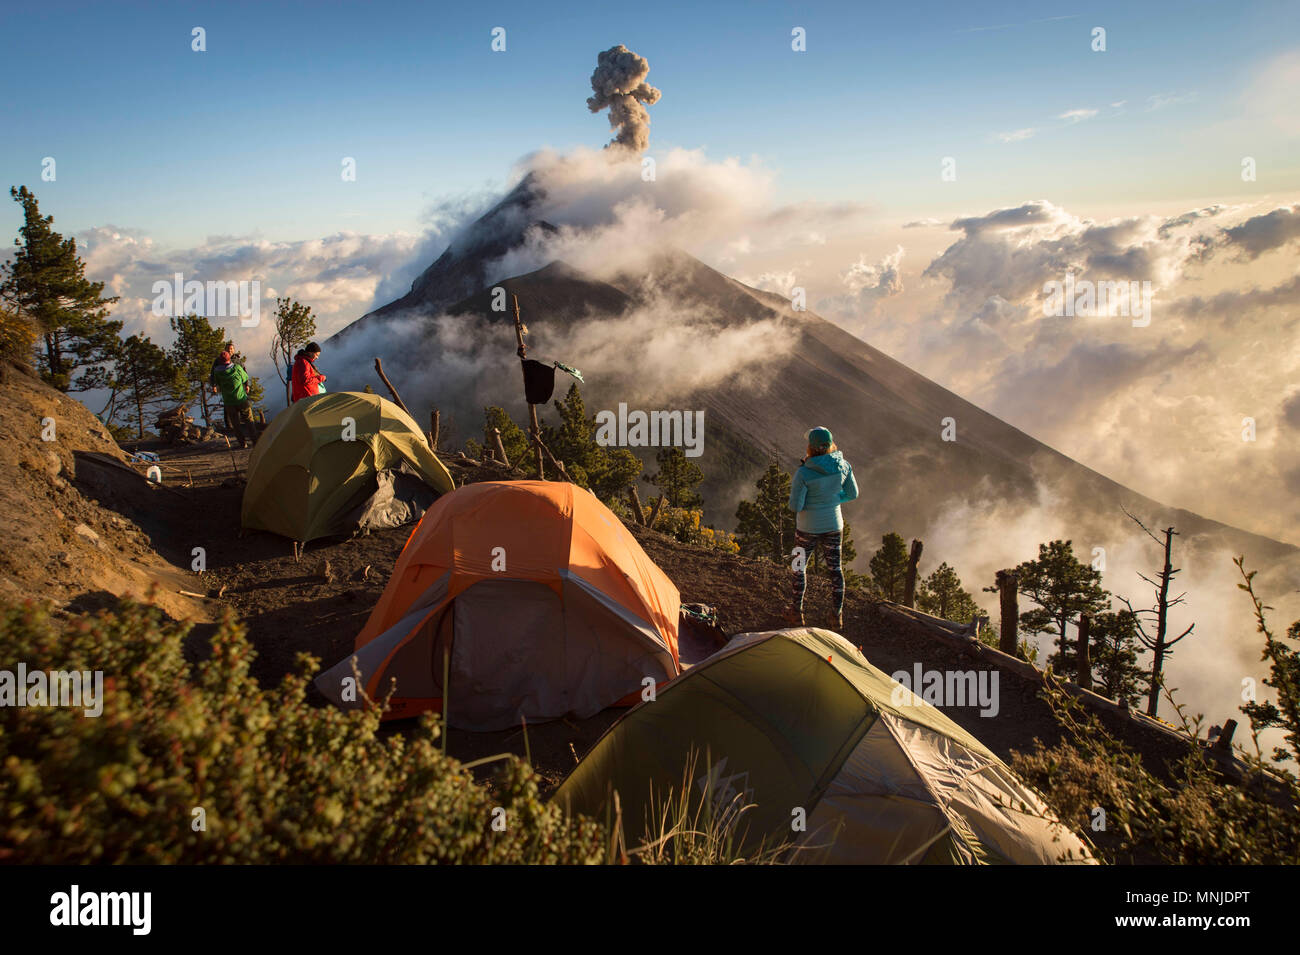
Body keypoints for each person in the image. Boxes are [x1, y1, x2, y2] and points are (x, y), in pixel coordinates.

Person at [787, 426, 858, 630]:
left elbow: (795, 506)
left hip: (807, 527)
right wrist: (835, 499)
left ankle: (796, 612)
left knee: (799, 567)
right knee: (835, 569)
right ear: (830, 444)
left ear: (810, 447)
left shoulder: (804, 473)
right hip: (833, 525)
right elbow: (853, 494)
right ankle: (836, 616)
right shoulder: (844, 466)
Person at [209, 342, 255, 449]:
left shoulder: (217, 370)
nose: (230, 350)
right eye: (228, 349)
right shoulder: (236, 367)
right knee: (249, 420)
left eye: (231, 349)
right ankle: (255, 441)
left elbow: (216, 380)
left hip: (229, 399)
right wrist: (244, 384)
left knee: (236, 424)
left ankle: (242, 443)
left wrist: (215, 385)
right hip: (240, 397)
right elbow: (244, 376)